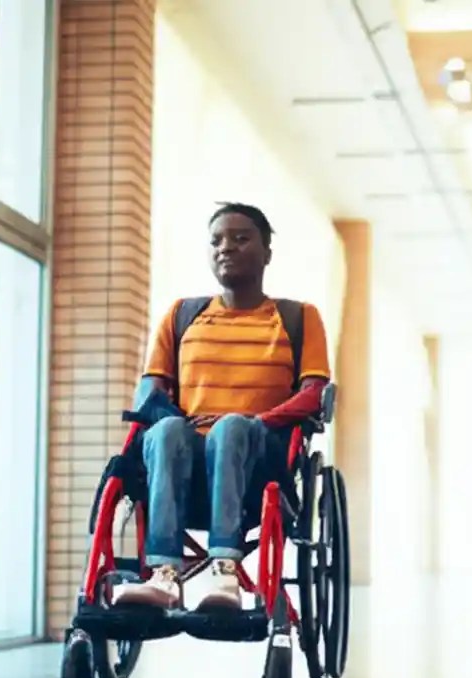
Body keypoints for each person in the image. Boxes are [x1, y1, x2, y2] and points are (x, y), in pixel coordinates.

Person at [113, 202, 331, 611]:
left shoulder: (298, 317)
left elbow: (314, 392)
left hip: (259, 456)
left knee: (232, 428)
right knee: (165, 430)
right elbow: (149, 393)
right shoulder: (182, 315)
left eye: (240, 238)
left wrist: (258, 421)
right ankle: (163, 574)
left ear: (267, 252)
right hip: (186, 455)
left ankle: (225, 571)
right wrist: (176, 422)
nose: (225, 247)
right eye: (216, 241)